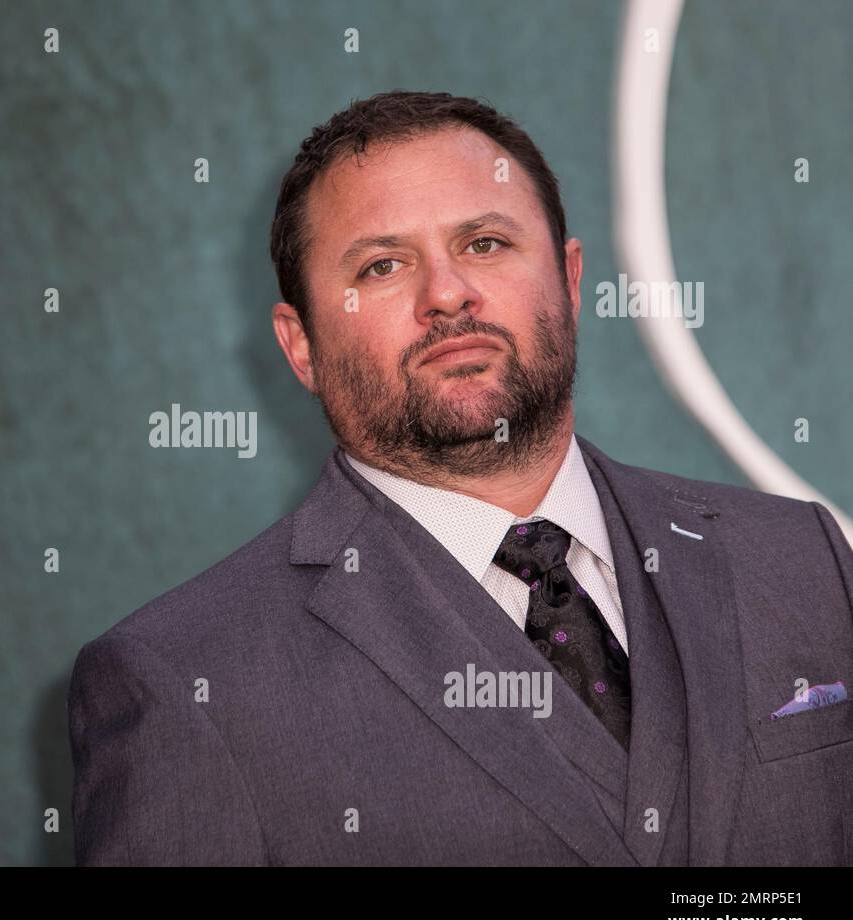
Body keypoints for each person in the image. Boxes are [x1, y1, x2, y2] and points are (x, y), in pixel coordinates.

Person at [67, 90, 853, 865]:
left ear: (572, 283)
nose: (447, 294)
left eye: (484, 244)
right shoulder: (185, 681)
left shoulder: (803, 561)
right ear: (299, 345)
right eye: (382, 265)